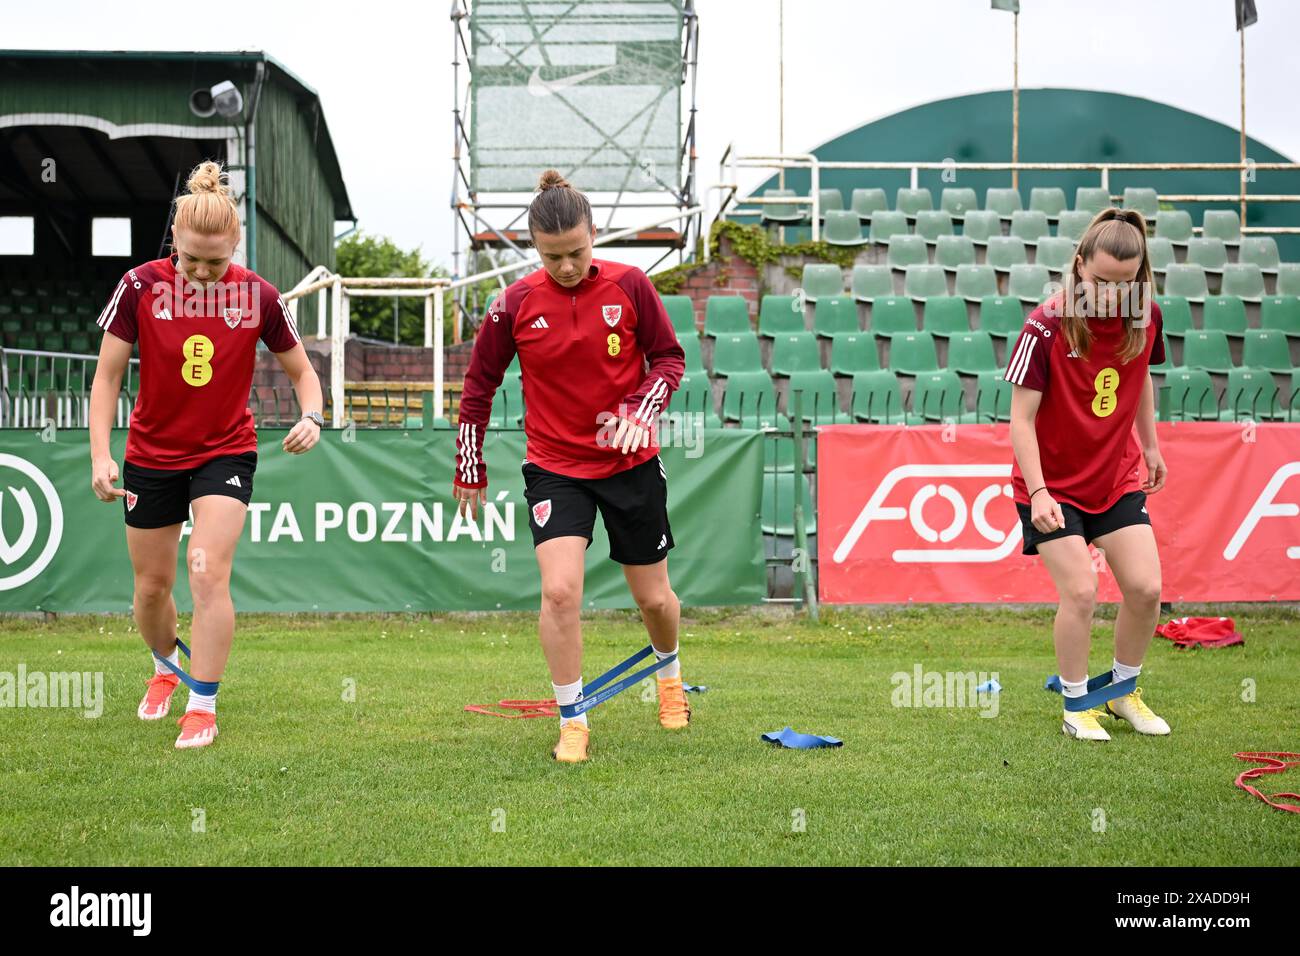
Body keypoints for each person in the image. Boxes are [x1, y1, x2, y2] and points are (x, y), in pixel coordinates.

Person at [453, 170, 687, 763]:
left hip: (631, 463)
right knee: (559, 594)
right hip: (555, 468)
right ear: (534, 247)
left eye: (577, 252)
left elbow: (668, 359)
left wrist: (640, 410)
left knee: (654, 599)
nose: (565, 266)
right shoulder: (512, 305)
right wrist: (470, 464)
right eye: (552, 256)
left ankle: (669, 676)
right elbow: (479, 384)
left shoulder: (631, 286)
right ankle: (573, 719)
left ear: (594, 236)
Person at [89, 160, 324, 750]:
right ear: (175, 241)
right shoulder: (140, 286)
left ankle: (203, 705)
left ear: (235, 248)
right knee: (150, 588)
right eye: (190, 258)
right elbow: (107, 377)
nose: (200, 271)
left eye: (215, 262)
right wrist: (101, 454)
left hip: (226, 452)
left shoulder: (259, 295)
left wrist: (312, 416)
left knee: (206, 570)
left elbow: (303, 372)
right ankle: (167, 666)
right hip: (150, 455)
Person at [1005, 207, 1171, 741]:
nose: (1112, 294)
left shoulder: (1147, 316)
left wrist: (1150, 446)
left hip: (1115, 476)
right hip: (1051, 485)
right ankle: (1077, 706)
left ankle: (1121, 693)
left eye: (1127, 282)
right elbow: (1021, 419)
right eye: (1101, 281)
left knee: (1146, 590)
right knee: (1080, 591)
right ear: (1079, 265)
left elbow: (1140, 374)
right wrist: (1038, 492)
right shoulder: (1045, 324)